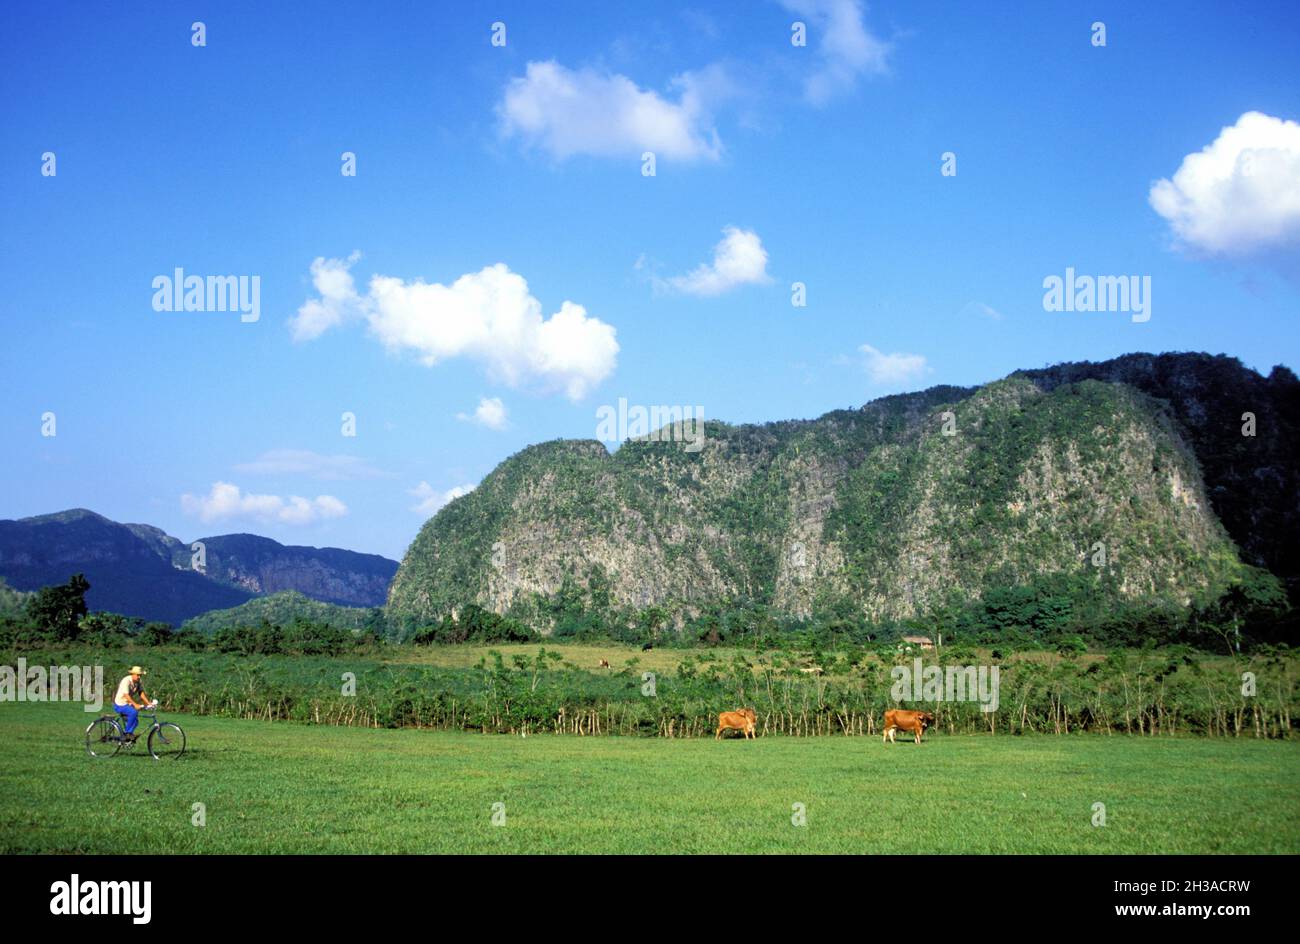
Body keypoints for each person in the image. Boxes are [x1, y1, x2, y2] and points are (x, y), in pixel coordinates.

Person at [113, 666, 155, 743]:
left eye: (140, 675)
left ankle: (129, 734)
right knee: (133, 712)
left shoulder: (138, 682)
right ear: (132, 674)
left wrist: (148, 703)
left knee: (135, 721)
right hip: (120, 704)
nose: (139, 677)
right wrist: (135, 704)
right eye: (138, 675)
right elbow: (126, 695)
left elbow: (141, 693)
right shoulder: (126, 681)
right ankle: (127, 734)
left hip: (127, 704)